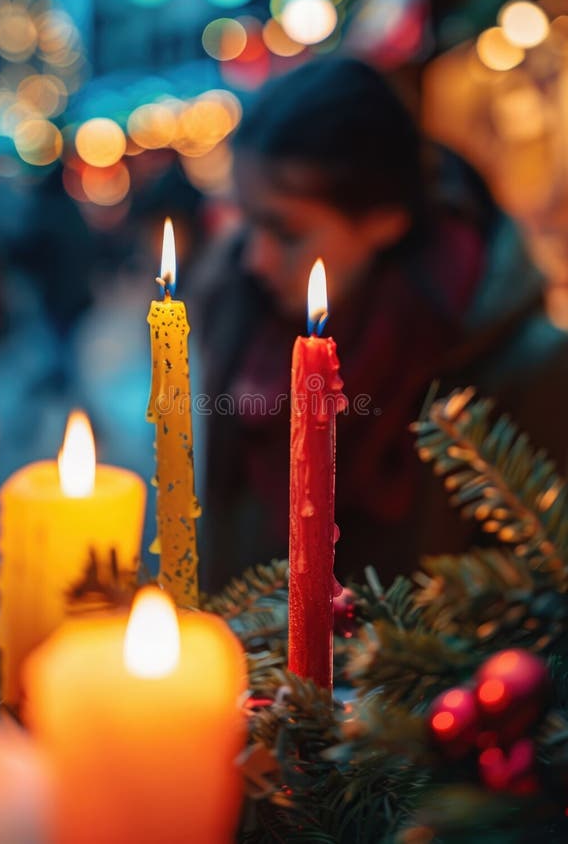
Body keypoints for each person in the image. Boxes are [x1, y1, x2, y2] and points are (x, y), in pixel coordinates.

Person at [189, 56, 568, 593]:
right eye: (245, 220)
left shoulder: (525, 368)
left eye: (287, 230)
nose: (255, 259)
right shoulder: (240, 319)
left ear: (385, 219)